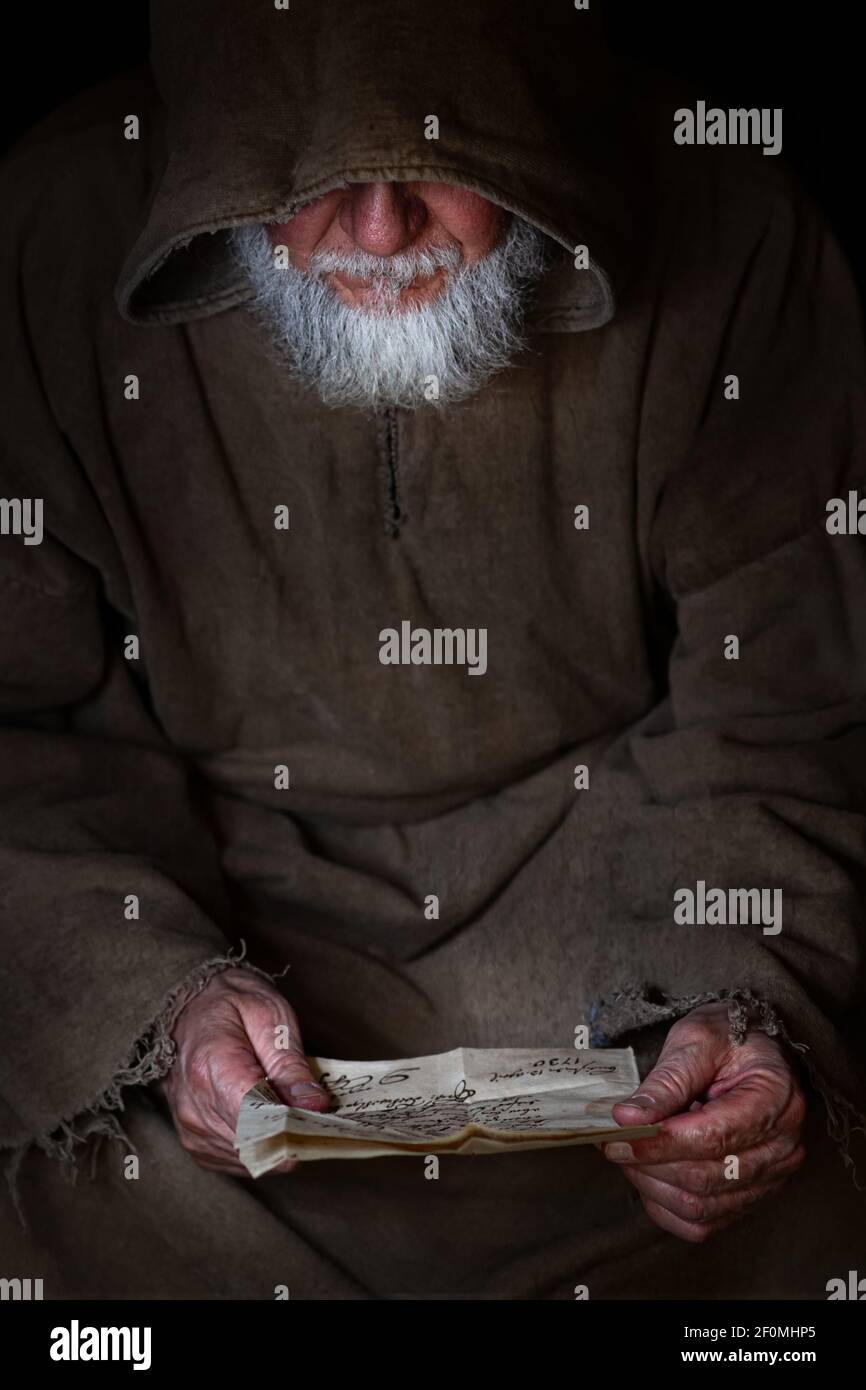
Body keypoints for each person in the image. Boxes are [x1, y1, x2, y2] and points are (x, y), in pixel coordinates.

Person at [0, 0, 864, 1300]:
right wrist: (156, 1001)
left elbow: (782, 711)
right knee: (82, 1178)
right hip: (201, 892)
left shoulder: (726, 217)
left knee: (777, 1170)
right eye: (311, 178)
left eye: (445, 166)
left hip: (615, 891)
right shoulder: (51, 224)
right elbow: (20, 735)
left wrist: (727, 1010)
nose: (381, 232)